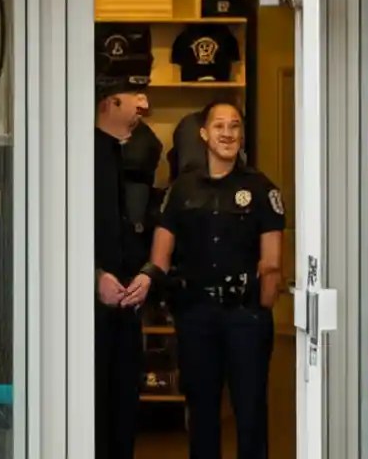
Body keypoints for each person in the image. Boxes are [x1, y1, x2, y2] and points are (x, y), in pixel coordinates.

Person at [141, 100, 284, 459]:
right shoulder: (181, 189)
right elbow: (160, 256)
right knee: (202, 410)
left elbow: (272, 262)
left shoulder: (261, 189)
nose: (227, 133)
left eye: (234, 126)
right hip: (196, 315)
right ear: (204, 134)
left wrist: (260, 309)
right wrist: (155, 289)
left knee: (250, 410)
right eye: (219, 126)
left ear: (242, 135)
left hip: (245, 316)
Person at [93, 75, 152, 459]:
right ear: (109, 103)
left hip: (124, 307)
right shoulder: (77, 155)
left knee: (123, 404)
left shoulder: (119, 152)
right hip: (88, 315)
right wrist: (93, 276)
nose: (143, 105)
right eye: (135, 95)